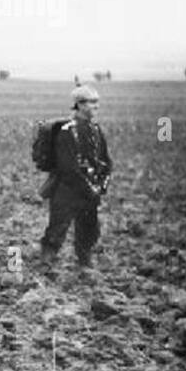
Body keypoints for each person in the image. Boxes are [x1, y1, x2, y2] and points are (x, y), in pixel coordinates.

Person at [40, 83, 112, 269]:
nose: (96, 106)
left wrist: (102, 184)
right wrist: (90, 189)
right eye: (91, 102)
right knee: (56, 231)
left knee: (89, 231)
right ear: (79, 105)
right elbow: (68, 167)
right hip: (67, 191)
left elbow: (105, 160)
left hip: (89, 191)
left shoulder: (96, 130)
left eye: (97, 102)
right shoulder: (67, 132)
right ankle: (46, 266)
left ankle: (85, 264)